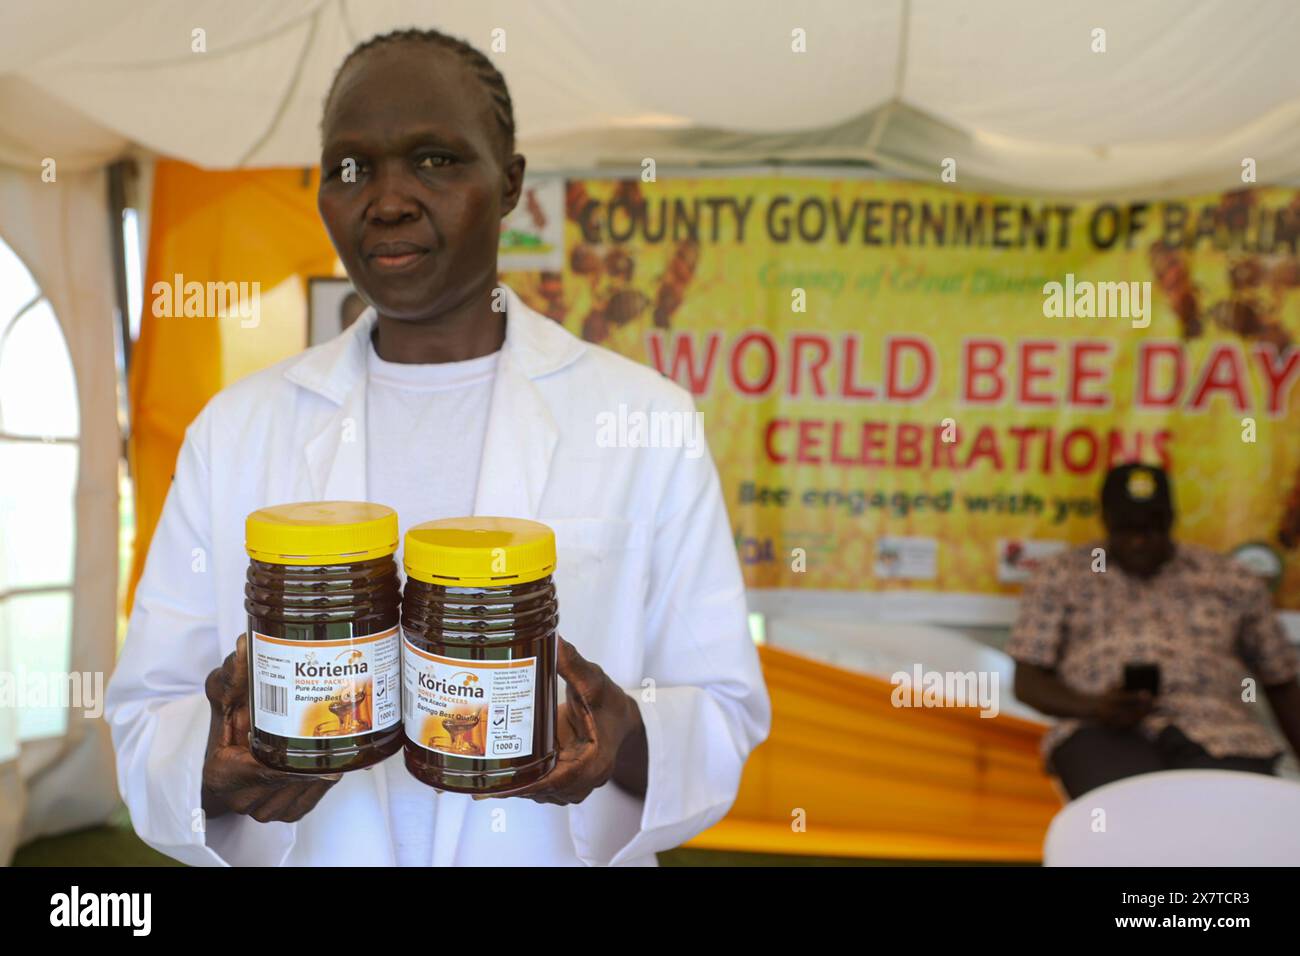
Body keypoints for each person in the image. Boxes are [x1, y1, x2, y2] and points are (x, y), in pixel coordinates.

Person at [104, 28, 770, 866]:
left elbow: (722, 710)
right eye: (352, 167)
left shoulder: (644, 420)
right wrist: (207, 767)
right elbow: (148, 714)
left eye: (435, 160)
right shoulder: (237, 428)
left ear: (510, 184)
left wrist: (625, 734)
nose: (387, 200)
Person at [1008, 463, 1300, 799]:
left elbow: (1281, 682)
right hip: (1100, 731)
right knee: (1129, 812)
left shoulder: (1230, 580)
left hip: (1222, 733)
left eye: (1152, 529)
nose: (1139, 542)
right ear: (1105, 520)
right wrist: (1095, 707)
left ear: (1172, 519)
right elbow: (1028, 680)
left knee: (1236, 815)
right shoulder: (1061, 575)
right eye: (1126, 529)